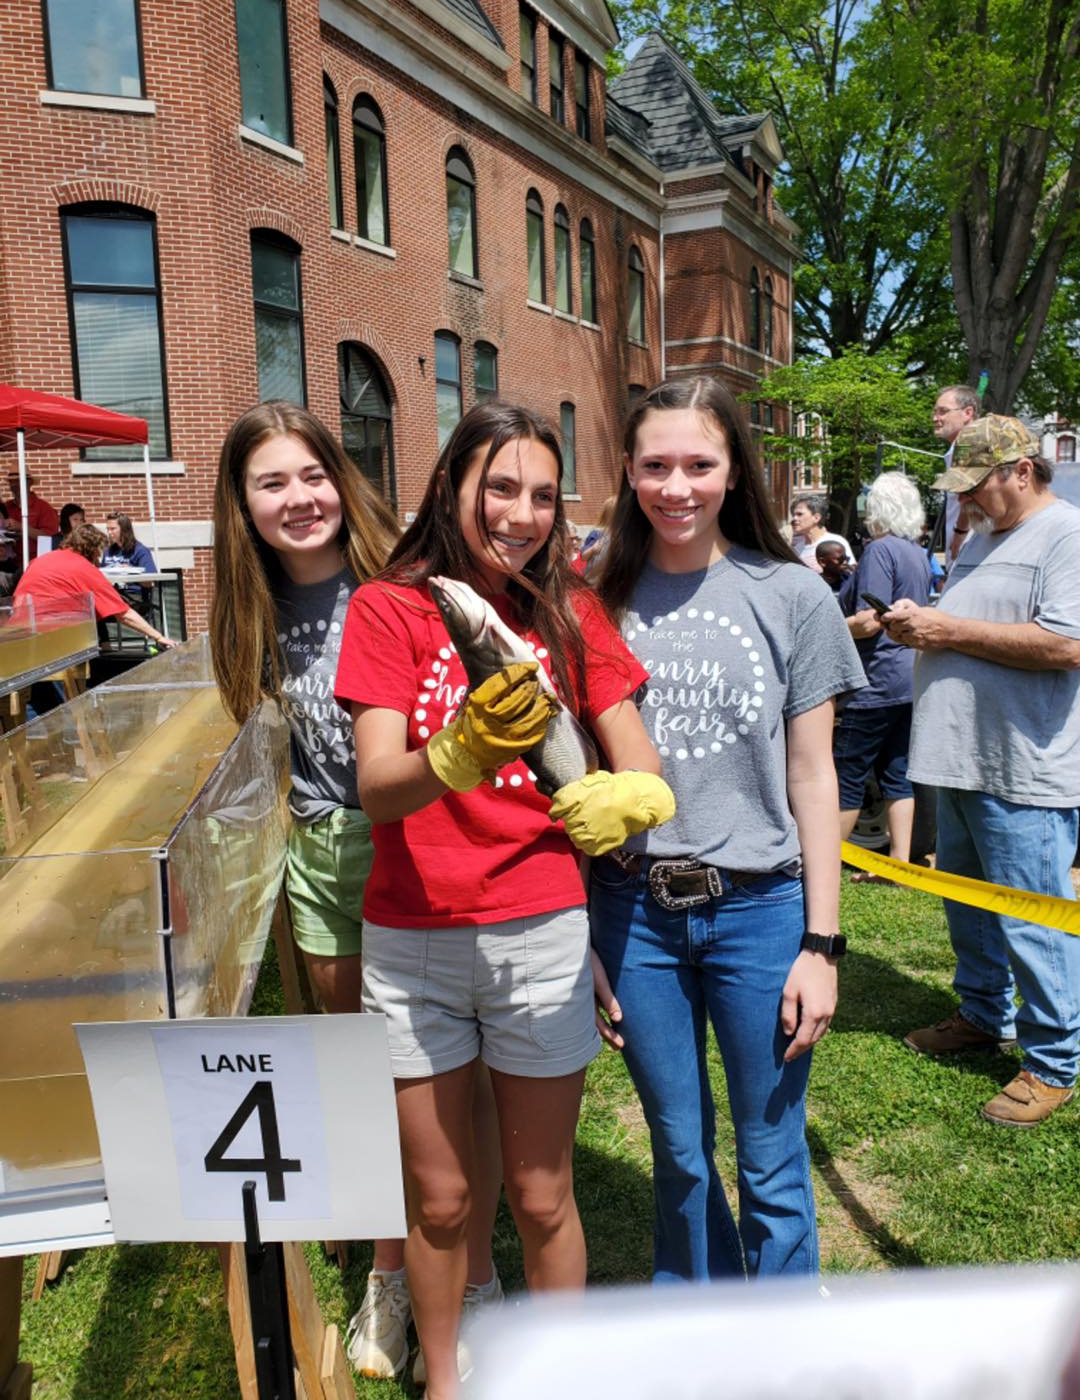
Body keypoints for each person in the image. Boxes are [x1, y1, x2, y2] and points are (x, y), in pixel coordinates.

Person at [334, 401, 673, 1399]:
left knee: (540, 1191)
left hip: (541, 936)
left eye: (539, 493)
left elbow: (634, 749)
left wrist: (636, 793)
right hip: (413, 943)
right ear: (451, 486)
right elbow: (378, 782)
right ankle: (446, 1383)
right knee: (440, 1203)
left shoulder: (572, 610)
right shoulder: (390, 608)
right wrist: (460, 752)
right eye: (500, 488)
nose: (522, 514)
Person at [211, 401, 483, 1381]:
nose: (298, 498)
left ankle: (466, 1271)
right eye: (271, 482)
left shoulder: (407, 586)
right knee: (363, 1072)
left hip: (429, 845)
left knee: (450, 1078)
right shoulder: (245, 613)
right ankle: (390, 1272)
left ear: (343, 478)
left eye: (311, 475)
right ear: (241, 504)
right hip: (327, 858)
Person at [590, 376, 865, 1282]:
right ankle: (701, 1332)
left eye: (699, 465)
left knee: (772, 1158)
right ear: (628, 472)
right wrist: (581, 932)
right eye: (657, 465)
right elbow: (571, 776)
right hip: (635, 916)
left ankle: (783, 1350)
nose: (678, 487)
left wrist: (821, 944)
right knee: (676, 1152)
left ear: (734, 471)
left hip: (760, 911)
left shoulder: (792, 594)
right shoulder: (593, 596)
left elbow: (813, 776)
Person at [885, 416, 1080, 1127]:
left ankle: (1055, 1060)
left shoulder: (1067, 535)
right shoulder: (986, 538)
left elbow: (1067, 644)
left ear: (1021, 471)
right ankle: (981, 1014)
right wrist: (920, 621)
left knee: (1034, 919)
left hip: (1022, 766)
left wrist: (946, 631)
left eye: (976, 487)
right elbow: (967, 622)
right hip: (960, 759)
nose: (964, 501)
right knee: (968, 905)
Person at [834, 472, 931, 876]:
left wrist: (827, 626)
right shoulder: (916, 552)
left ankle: (823, 862)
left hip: (874, 681)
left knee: (846, 772)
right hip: (911, 678)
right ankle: (899, 866)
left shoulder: (879, 551)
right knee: (897, 772)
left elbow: (871, 620)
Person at [14, 523, 175, 710]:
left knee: (39, 693)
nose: (99, 558)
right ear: (91, 549)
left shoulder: (40, 560)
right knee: (70, 688)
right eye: (99, 552)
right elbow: (124, 613)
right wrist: (158, 636)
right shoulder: (82, 567)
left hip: (20, 642)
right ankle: (73, 725)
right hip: (52, 643)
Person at [932, 385, 980, 564]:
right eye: (935, 412)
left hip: (967, 551)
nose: (935, 418)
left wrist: (959, 535)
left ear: (968, 413)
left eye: (943, 411)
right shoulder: (969, 444)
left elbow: (968, 494)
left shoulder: (965, 445)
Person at [790, 493, 854, 573]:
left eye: (799, 514)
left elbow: (850, 573)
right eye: (793, 515)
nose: (794, 518)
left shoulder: (836, 542)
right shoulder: (796, 549)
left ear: (816, 518)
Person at [6, 471, 59, 559]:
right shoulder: (6, 507)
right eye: (11, 482)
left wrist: (21, 527)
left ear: (29, 483)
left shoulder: (43, 507)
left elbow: (50, 538)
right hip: (9, 563)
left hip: (36, 561)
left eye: (18, 481)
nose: (14, 485)